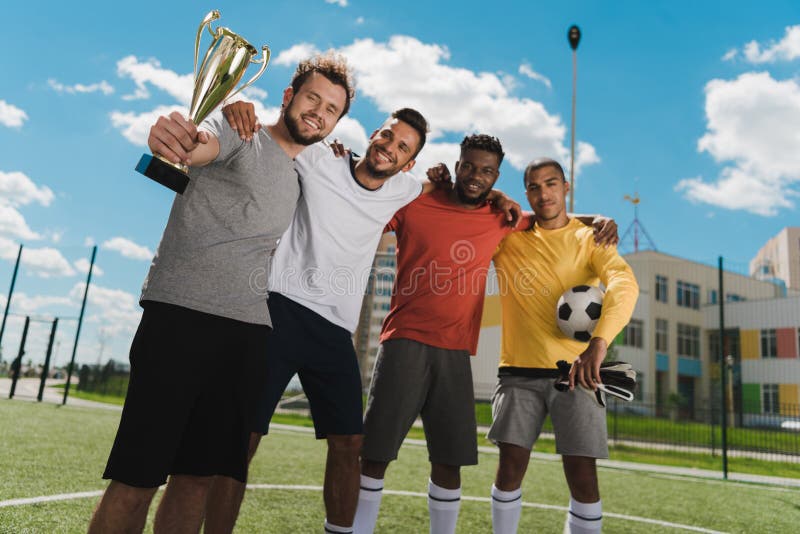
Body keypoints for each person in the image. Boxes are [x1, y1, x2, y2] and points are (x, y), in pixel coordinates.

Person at [210, 105, 520, 534]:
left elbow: (545, 221)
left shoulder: (460, 205)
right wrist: (242, 117)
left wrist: (511, 201)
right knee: (250, 435)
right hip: (293, 313)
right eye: (389, 136)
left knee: (355, 444)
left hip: (348, 331)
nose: (474, 175)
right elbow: (296, 149)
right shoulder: (362, 175)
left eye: (403, 147)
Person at [87, 53, 355, 534]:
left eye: (332, 109)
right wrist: (178, 140)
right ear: (289, 97)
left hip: (250, 334)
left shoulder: (305, 172)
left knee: (196, 481)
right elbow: (199, 146)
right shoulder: (239, 129)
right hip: (181, 317)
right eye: (312, 97)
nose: (319, 111)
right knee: (137, 478)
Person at [352, 137, 617, 534]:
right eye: (470, 167)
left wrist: (596, 217)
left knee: (449, 461)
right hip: (404, 339)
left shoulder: (502, 219)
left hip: (457, 351)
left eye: (487, 171)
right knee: (374, 455)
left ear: (496, 176)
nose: (476, 176)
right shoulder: (415, 202)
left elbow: (549, 217)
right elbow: (369, 203)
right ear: (457, 165)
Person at [488, 158, 639, 534]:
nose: (544, 193)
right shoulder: (507, 237)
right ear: (526, 194)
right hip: (517, 374)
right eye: (535, 187)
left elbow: (623, 282)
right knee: (509, 469)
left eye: (551, 184)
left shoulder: (592, 239)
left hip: (577, 373)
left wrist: (600, 342)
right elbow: (475, 205)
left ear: (566, 186)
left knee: (582, 475)